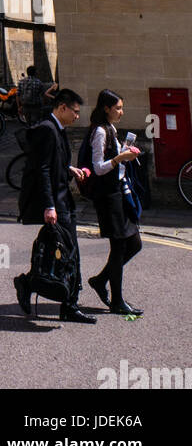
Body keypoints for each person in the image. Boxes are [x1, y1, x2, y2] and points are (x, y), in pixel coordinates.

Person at [14, 87, 93, 323]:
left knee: (60, 253)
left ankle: (31, 285)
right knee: (68, 254)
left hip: (62, 199)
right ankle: (68, 304)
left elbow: (52, 161)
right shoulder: (47, 130)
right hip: (57, 203)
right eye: (75, 112)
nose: (77, 116)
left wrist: (69, 169)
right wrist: (49, 206)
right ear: (62, 108)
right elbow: (43, 169)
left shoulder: (56, 128)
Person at [84, 89, 144, 316]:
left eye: (121, 107)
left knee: (135, 244)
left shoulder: (111, 129)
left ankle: (100, 280)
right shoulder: (100, 131)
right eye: (117, 107)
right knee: (118, 248)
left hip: (119, 192)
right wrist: (120, 157)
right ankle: (118, 300)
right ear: (106, 108)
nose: (121, 111)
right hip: (108, 197)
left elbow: (113, 162)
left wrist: (126, 153)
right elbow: (98, 167)